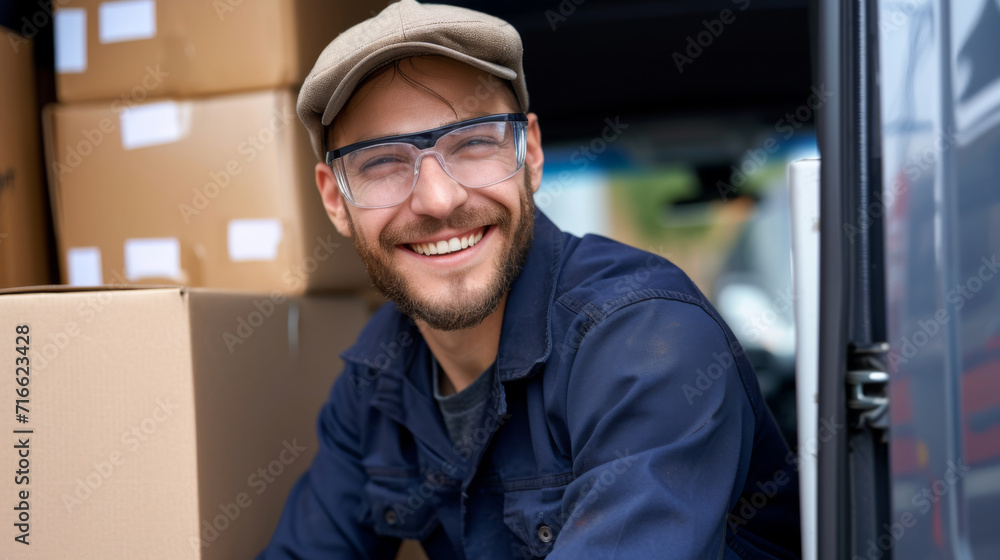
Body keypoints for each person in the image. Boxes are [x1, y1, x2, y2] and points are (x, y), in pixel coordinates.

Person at [260, 1, 801, 558]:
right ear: (335, 199)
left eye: (472, 144)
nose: (438, 199)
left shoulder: (650, 342)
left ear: (531, 154)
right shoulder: (376, 378)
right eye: (382, 163)